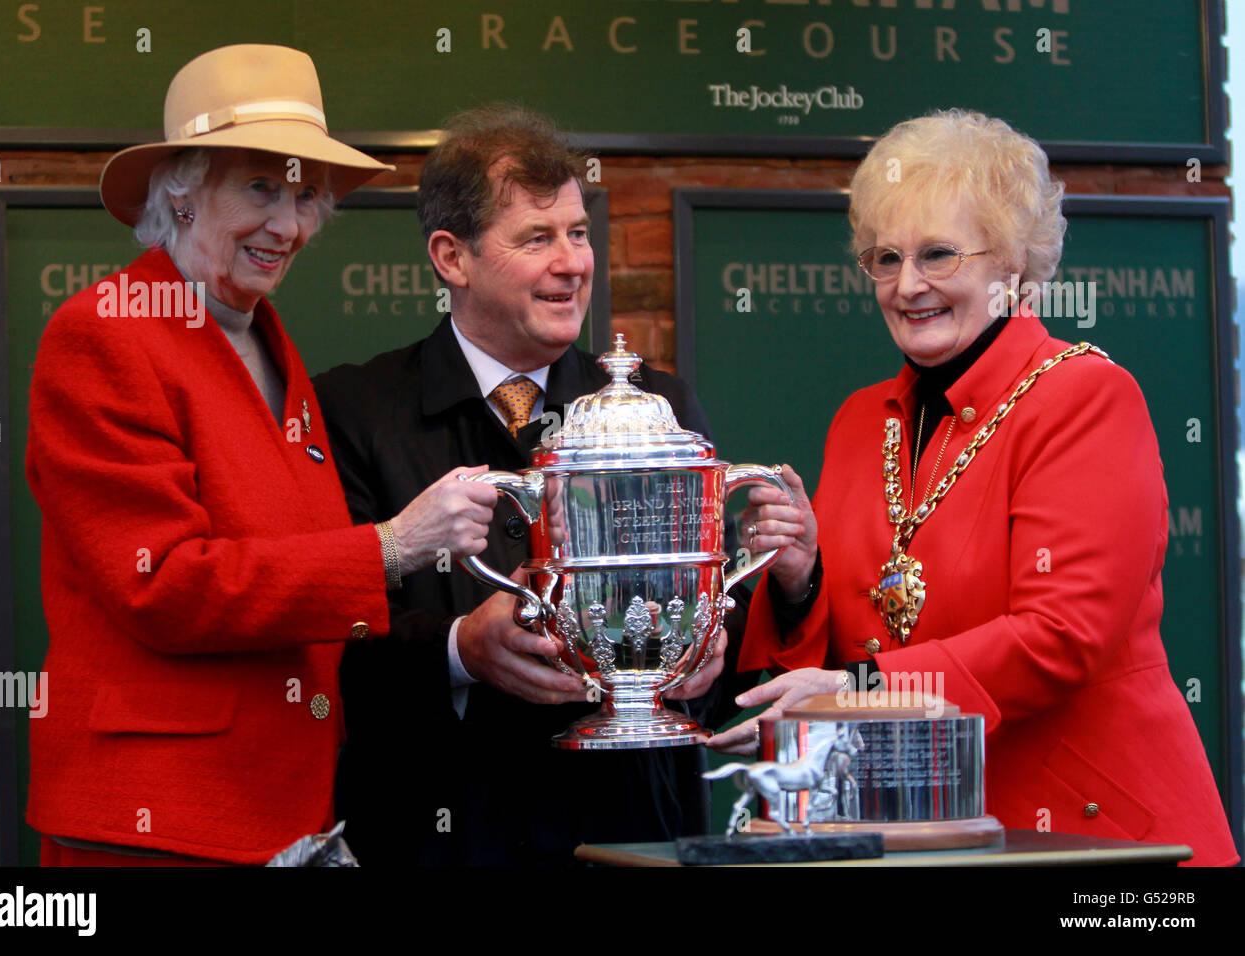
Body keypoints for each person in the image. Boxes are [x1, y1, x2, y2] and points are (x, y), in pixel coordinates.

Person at [710, 109, 1239, 866]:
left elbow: (1062, 637)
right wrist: (800, 580)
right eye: (884, 259)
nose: (908, 285)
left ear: (1013, 263)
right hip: (918, 835)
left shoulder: (1086, 395)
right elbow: (853, 639)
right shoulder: (863, 419)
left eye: (939, 255)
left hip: (1095, 844)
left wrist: (864, 689)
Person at [25, 44, 499, 866]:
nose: (289, 224)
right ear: (180, 192)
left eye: (307, 195)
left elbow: (288, 577)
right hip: (159, 822)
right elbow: (163, 583)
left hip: (283, 814)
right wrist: (397, 544)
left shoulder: (263, 342)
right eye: (260, 188)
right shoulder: (104, 333)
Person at [314, 105, 749, 866]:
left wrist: (709, 650)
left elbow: (725, 611)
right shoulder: (352, 410)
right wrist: (458, 649)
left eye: (579, 233)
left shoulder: (665, 406)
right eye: (537, 238)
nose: (574, 262)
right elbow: (322, 637)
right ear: (453, 258)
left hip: (632, 833)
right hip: (438, 837)